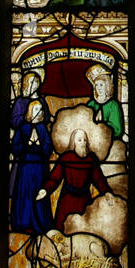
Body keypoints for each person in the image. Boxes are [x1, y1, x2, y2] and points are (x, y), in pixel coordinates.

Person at [39, 129, 109, 231]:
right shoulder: (66, 158)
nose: (83, 143)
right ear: (73, 142)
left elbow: (98, 179)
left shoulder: (91, 159)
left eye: (85, 140)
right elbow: (55, 178)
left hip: (84, 201)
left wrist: (106, 192)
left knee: (84, 231)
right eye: (79, 140)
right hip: (67, 201)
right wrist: (45, 190)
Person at [10, 98, 54, 234]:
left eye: (40, 110)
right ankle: (23, 223)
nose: (38, 112)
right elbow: (15, 147)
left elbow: (48, 148)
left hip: (40, 167)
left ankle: (40, 223)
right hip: (25, 167)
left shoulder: (42, 129)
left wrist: (39, 147)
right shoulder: (23, 128)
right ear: (30, 111)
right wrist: (25, 147)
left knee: (38, 193)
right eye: (36, 109)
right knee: (25, 192)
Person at [86, 65, 124, 139]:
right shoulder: (91, 104)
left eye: (101, 85)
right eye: (96, 85)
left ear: (107, 86)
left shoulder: (113, 105)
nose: (98, 88)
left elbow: (117, 129)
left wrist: (101, 127)